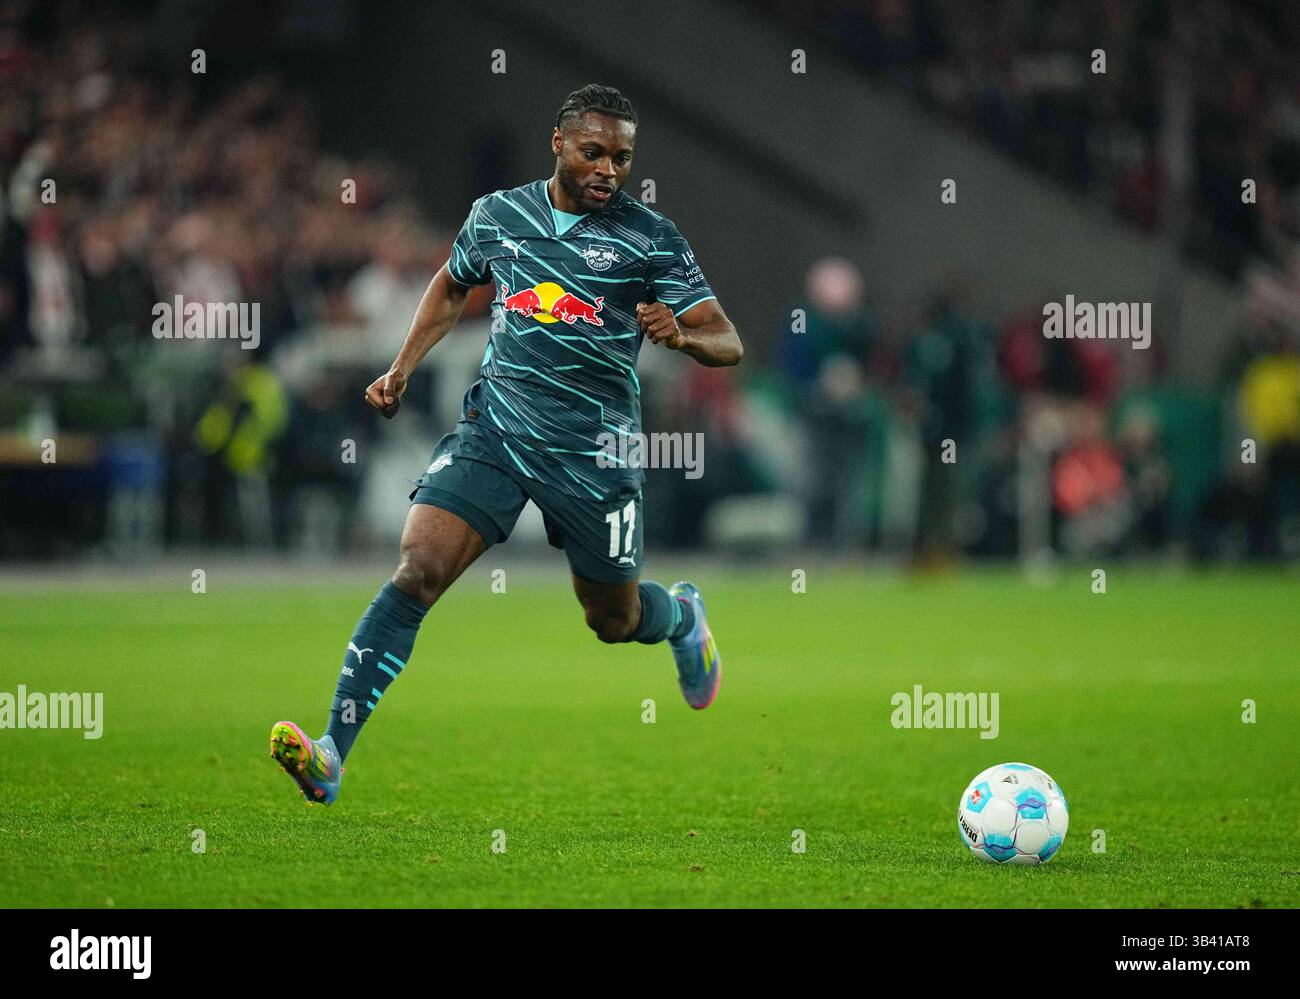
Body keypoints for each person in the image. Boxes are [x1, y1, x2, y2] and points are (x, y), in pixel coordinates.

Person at [270, 84, 743, 804]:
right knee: (417, 570)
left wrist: (681, 334)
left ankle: (682, 617)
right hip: (495, 430)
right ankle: (333, 749)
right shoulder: (498, 215)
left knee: (611, 620)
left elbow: (728, 338)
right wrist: (399, 369)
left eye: (621, 157)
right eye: (594, 151)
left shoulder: (650, 237)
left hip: (595, 455)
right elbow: (451, 285)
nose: (609, 169)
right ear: (558, 142)